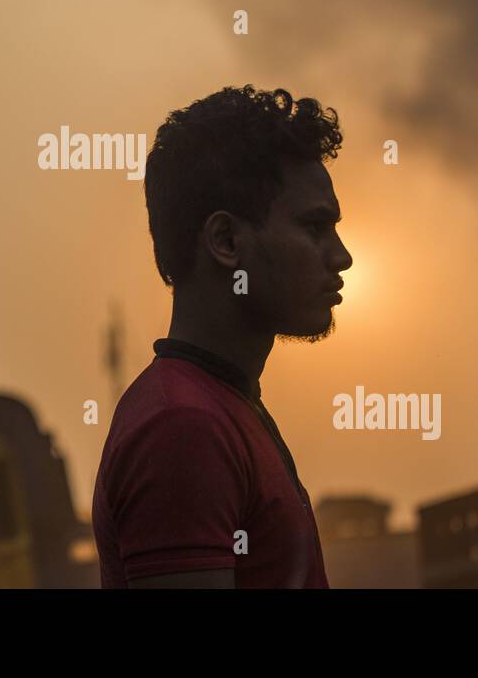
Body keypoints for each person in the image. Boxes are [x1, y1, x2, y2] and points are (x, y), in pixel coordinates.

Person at [93, 86, 352, 588]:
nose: (341, 257)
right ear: (227, 242)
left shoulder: (221, 405)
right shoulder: (184, 426)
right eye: (316, 227)